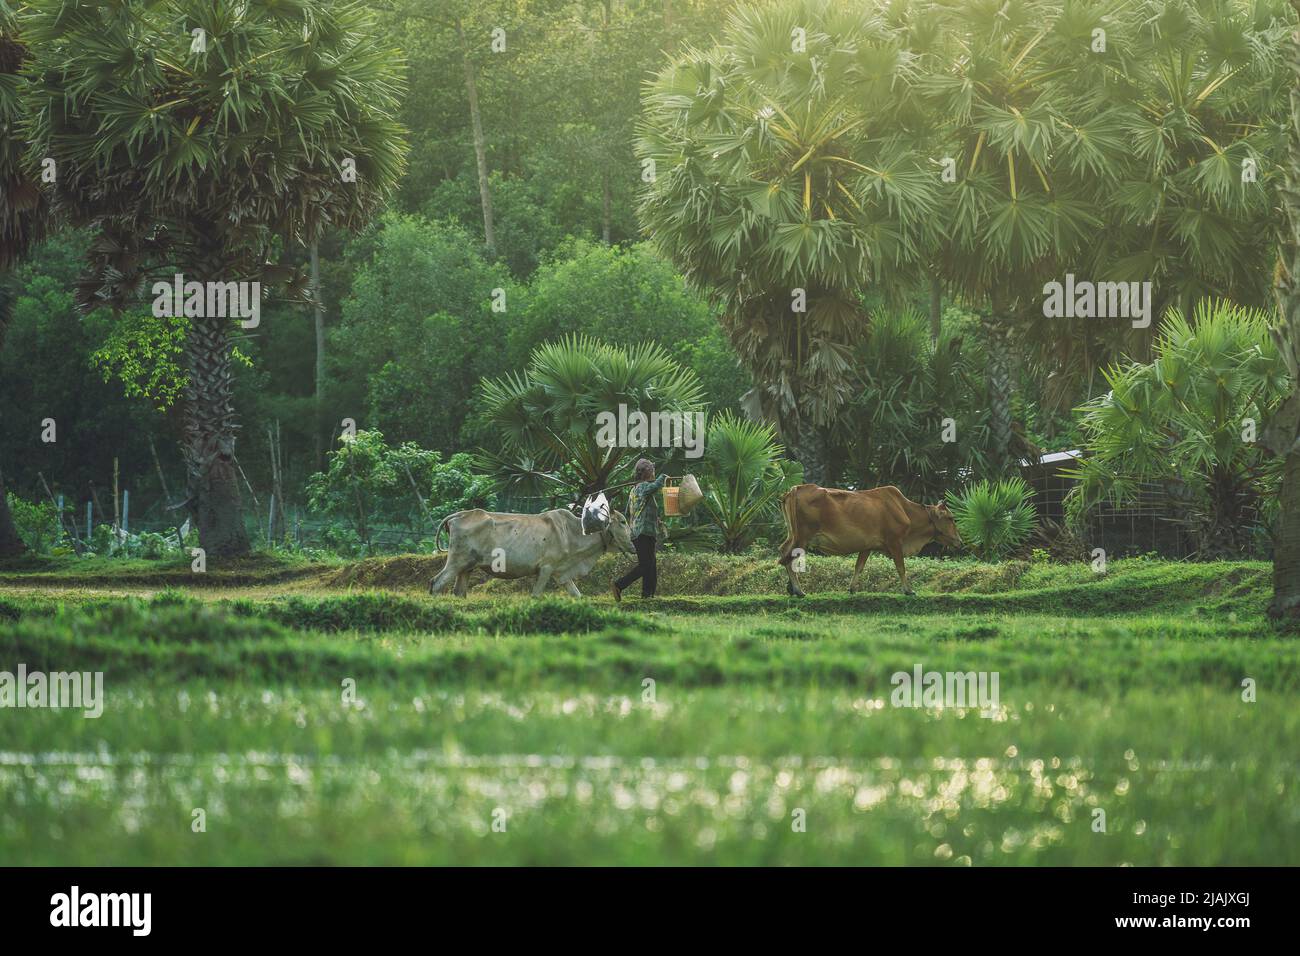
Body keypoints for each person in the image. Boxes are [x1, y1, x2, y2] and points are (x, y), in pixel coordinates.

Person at [612, 458, 671, 602]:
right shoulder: (643, 487)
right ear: (648, 472)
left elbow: (635, 510)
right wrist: (663, 477)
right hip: (643, 533)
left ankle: (648, 596)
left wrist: (655, 519)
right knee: (645, 566)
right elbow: (656, 486)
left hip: (642, 532)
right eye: (653, 470)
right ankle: (619, 585)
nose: (655, 473)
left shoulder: (635, 489)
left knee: (651, 565)